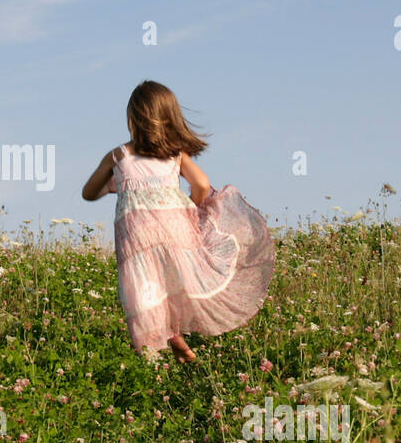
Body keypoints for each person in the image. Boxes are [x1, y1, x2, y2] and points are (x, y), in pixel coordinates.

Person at [82, 80, 275, 362]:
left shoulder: (119, 155)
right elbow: (202, 183)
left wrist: (114, 185)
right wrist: (192, 210)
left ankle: (159, 357)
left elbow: (89, 193)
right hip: (177, 230)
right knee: (179, 281)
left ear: (133, 119)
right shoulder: (176, 156)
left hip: (138, 236)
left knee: (145, 293)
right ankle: (178, 341)